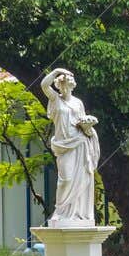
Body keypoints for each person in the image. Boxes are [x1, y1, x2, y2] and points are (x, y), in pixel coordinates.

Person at [41, 68, 100, 226]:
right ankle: (61, 212)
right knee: (65, 179)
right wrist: (56, 71)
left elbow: (81, 122)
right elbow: (44, 85)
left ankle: (78, 214)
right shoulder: (55, 99)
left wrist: (88, 127)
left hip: (79, 143)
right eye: (64, 83)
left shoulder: (78, 103)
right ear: (60, 85)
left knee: (81, 179)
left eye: (69, 83)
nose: (66, 86)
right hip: (63, 145)